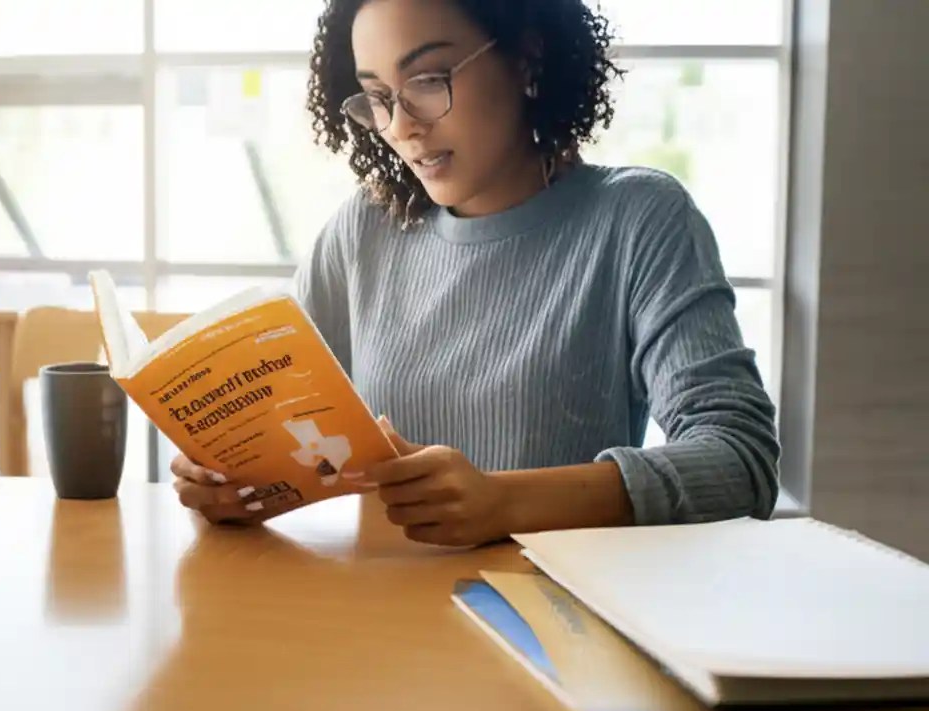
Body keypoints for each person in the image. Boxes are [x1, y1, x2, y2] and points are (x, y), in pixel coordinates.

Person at [172, 0, 780, 546]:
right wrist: (233, 481)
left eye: (428, 81)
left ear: (526, 55)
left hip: (554, 624)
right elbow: (289, 438)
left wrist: (504, 502)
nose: (401, 126)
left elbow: (740, 458)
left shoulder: (639, 219)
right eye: (378, 97)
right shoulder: (364, 230)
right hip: (381, 619)